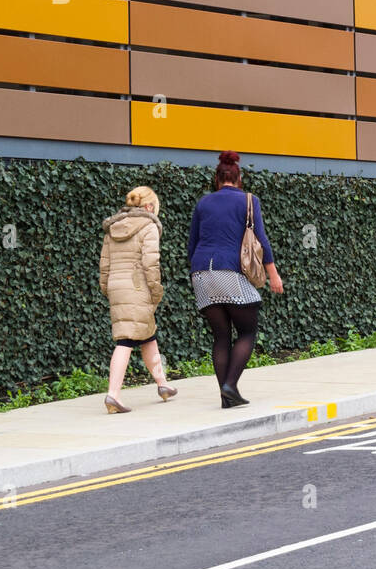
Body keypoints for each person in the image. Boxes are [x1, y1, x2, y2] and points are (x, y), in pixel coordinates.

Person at [187, 152, 283, 408]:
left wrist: (197, 272)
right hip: (230, 270)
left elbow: (191, 244)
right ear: (239, 179)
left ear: (217, 180)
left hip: (201, 272)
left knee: (221, 337)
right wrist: (273, 274)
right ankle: (231, 386)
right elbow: (261, 240)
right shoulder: (249, 201)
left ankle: (226, 395)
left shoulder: (203, 204)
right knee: (247, 331)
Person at [98, 185, 176, 413]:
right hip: (138, 285)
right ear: (149, 206)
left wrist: (107, 288)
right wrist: (156, 290)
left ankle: (162, 385)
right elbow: (150, 264)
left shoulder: (113, 228)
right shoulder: (149, 226)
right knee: (126, 341)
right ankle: (113, 394)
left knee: (147, 334)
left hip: (116, 286)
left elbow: (105, 264)